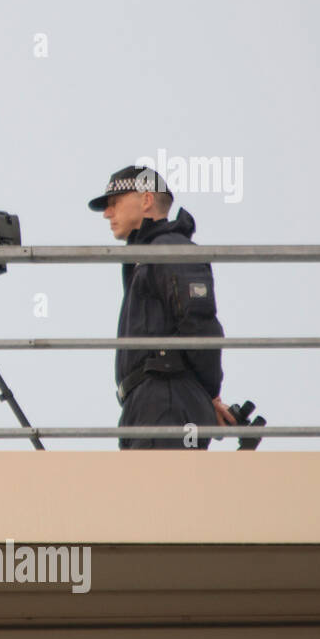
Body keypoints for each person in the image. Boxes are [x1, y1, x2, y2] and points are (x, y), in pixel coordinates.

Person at [89, 165, 236, 449]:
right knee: (146, 490)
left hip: (164, 401)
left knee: (156, 488)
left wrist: (208, 393)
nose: (108, 213)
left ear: (145, 201)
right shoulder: (149, 255)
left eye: (114, 203)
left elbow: (199, 323)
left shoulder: (168, 247)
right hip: (149, 402)